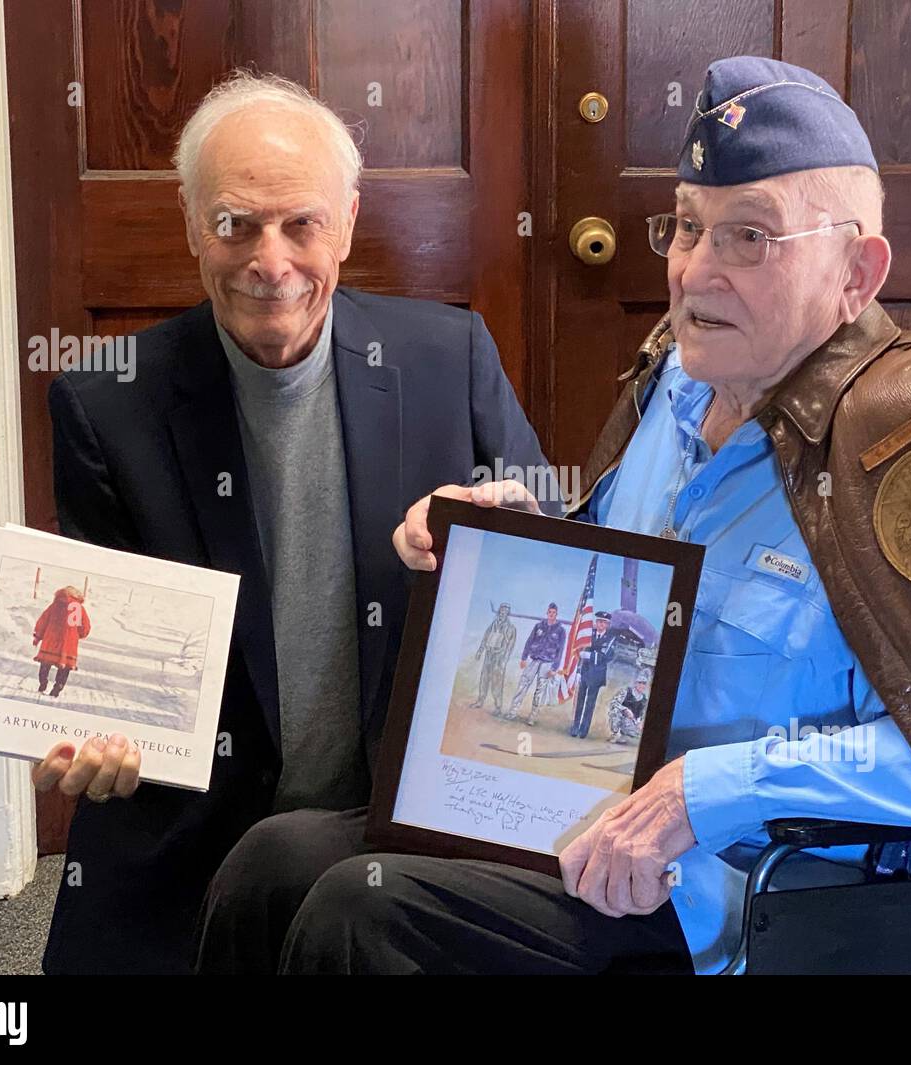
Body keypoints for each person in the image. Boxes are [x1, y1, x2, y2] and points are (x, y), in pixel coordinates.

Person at [317, 55, 911, 976]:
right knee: (276, 864)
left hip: (762, 910)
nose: (694, 271)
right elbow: (629, 573)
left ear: (858, 270)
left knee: (363, 915)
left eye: (749, 238)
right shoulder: (677, 381)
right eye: (687, 228)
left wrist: (708, 791)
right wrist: (501, 532)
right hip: (594, 825)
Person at [32, 70, 553, 975]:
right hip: (192, 833)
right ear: (194, 223)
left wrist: (507, 528)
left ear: (347, 220)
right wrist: (89, 737)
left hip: (402, 834)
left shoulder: (449, 358)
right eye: (236, 222)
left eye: (301, 223)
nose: (271, 261)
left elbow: (550, 554)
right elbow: (98, 660)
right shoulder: (106, 402)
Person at [505, 602, 565, 724]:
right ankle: (513, 711)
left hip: (547, 663)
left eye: (554, 613)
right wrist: (523, 658)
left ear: (556, 614)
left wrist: (554, 668)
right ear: (547, 613)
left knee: (540, 690)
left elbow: (560, 650)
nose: (551, 614)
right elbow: (529, 641)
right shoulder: (539, 626)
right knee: (523, 684)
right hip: (535, 660)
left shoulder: (560, 631)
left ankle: (532, 716)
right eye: (549, 612)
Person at [32, 586, 91, 698]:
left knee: (45, 662)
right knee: (65, 667)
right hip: (69, 643)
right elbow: (85, 627)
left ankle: (43, 683)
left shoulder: (55, 605)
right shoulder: (79, 608)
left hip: (51, 640)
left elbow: (43, 621)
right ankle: (58, 687)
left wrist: (38, 636)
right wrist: (78, 635)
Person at [571, 611, 617, 737]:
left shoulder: (611, 639)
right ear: (596, 622)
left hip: (597, 675)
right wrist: (578, 670)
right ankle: (575, 727)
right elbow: (580, 648)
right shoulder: (588, 634)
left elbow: (607, 656)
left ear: (607, 624)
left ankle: (583, 730)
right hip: (585, 671)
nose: (601, 624)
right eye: (599, 621)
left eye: (604, 622)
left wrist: (589, 656)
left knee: (590, 703)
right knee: (579, 701)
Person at [471, 603, 517, 713]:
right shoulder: (493, 624)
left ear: (507, 614)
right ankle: (480, 701)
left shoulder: (511, 628)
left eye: (505, 612)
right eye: (501, 612)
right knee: (484, 678)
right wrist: (480, 651)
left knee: (497, 682)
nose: (502, 614)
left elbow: (510, 646)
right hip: (489, 654)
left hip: (499, 657)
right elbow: (485, 637)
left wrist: (504, 660)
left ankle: (498, 707)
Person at [605, 670, 649, 744]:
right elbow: (613, 703)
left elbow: (641, 715)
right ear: (635, 683)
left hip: (631, 721)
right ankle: (615, 734)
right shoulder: (626, 691)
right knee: (615, 711)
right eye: (639, 682)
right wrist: (625, 709)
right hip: (620, 717)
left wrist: (639, 723)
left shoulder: (644, 699)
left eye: (644, 683)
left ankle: (624, 736)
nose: (641, 685)